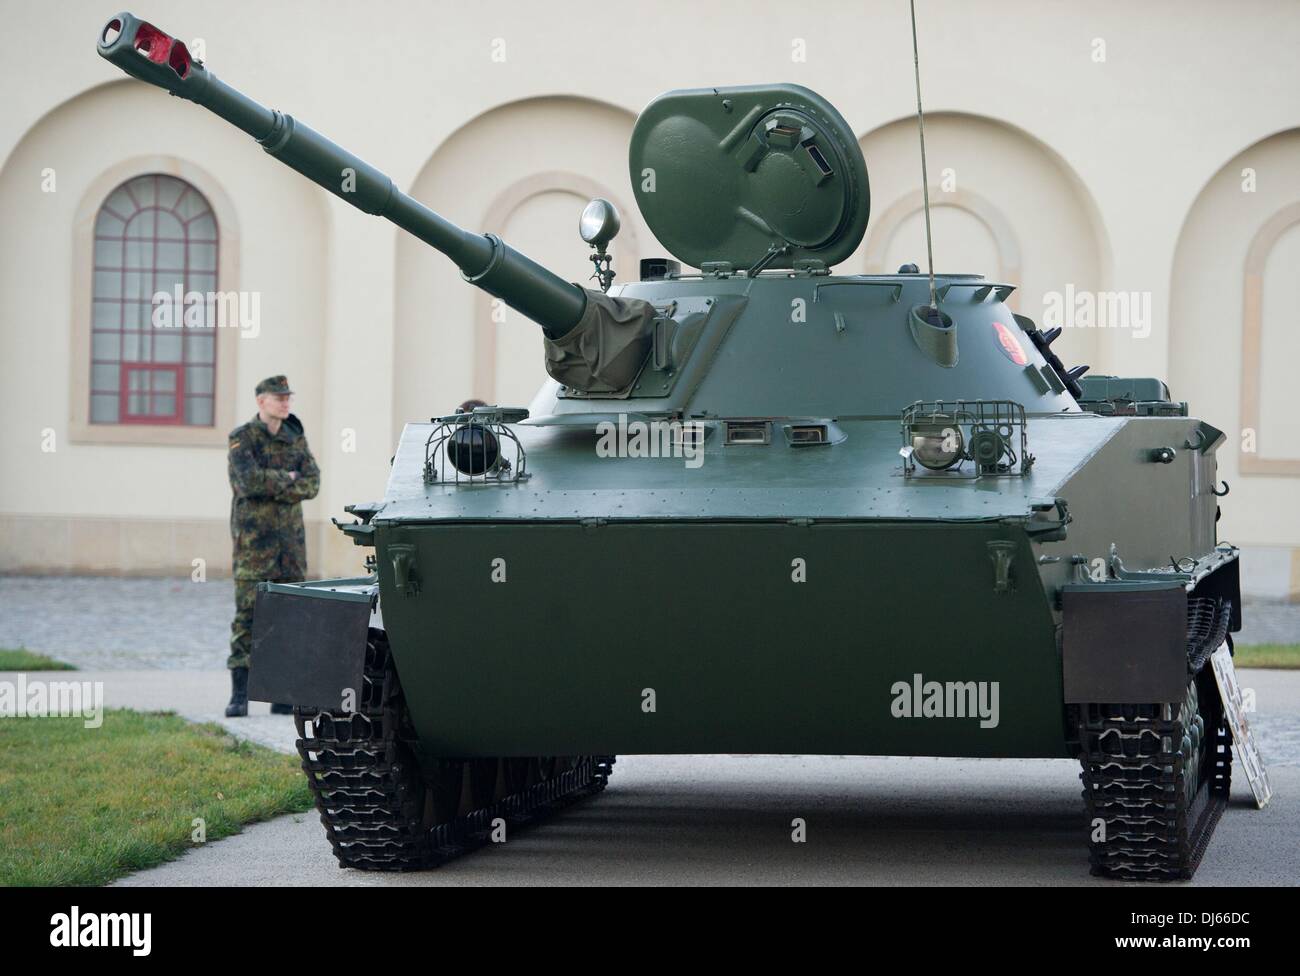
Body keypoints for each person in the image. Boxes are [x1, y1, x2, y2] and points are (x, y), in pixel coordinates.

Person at [225, 375, 320, 717]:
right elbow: (248, 481)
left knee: (290, 618)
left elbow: (312, 482)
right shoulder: (242, 438)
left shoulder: (295, 437)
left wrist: (278, 481)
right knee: (248, 619)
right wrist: (288, 479)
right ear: (261, 401)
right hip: (255, 546)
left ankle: (284, 695)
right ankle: (239, 695)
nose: (285, 403)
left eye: (287, 397)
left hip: (290, 548)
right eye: (278, 397)